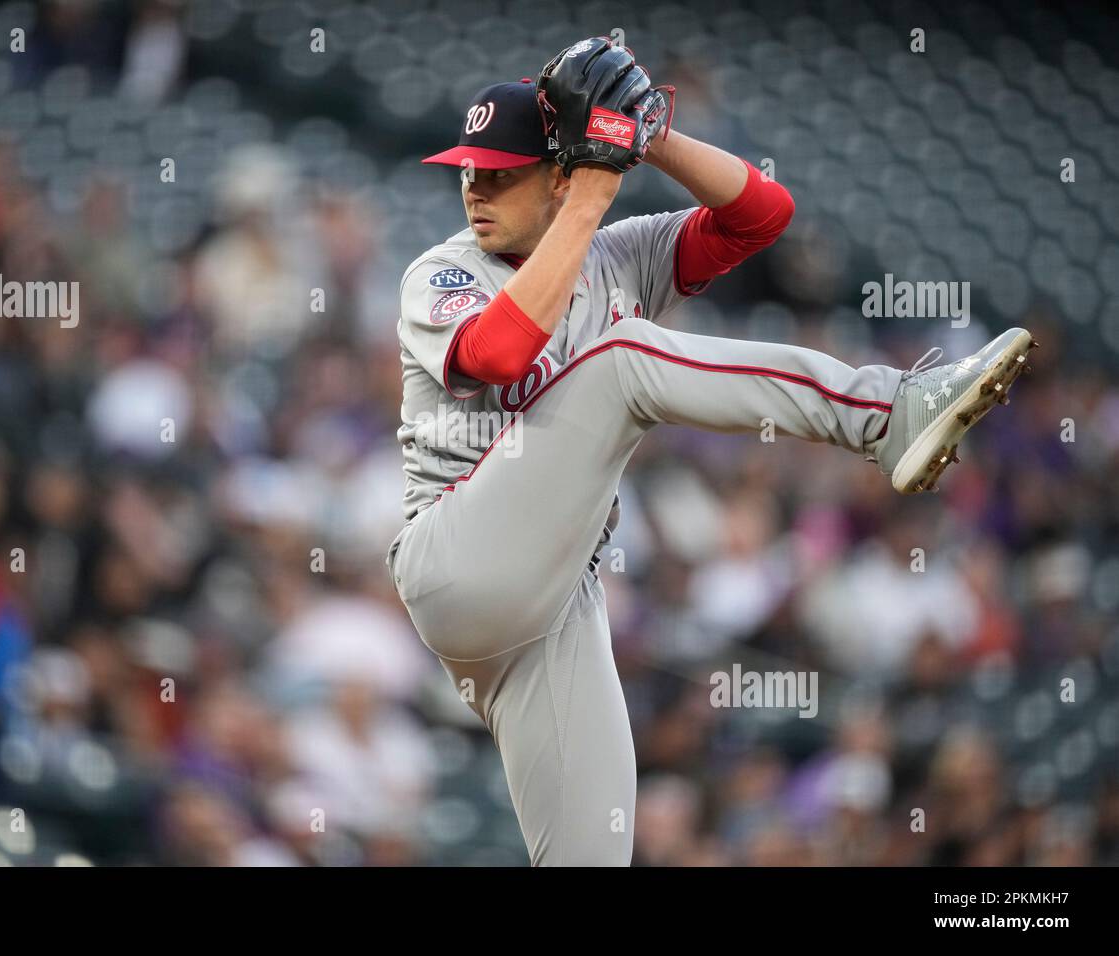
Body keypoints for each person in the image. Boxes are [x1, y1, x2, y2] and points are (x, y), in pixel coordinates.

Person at [385, 38, 1033, 865]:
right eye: (468, 169)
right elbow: (501, 356)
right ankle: (889, 414)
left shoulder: (618, 255)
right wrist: (591, 195)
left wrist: (649, 137)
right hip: (456, 555)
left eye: (500, 170)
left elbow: (762, 215)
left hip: (552, 607)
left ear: (553, 173)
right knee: (623, 360)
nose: (474, 186)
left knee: (594, 852)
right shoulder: (444, 270)